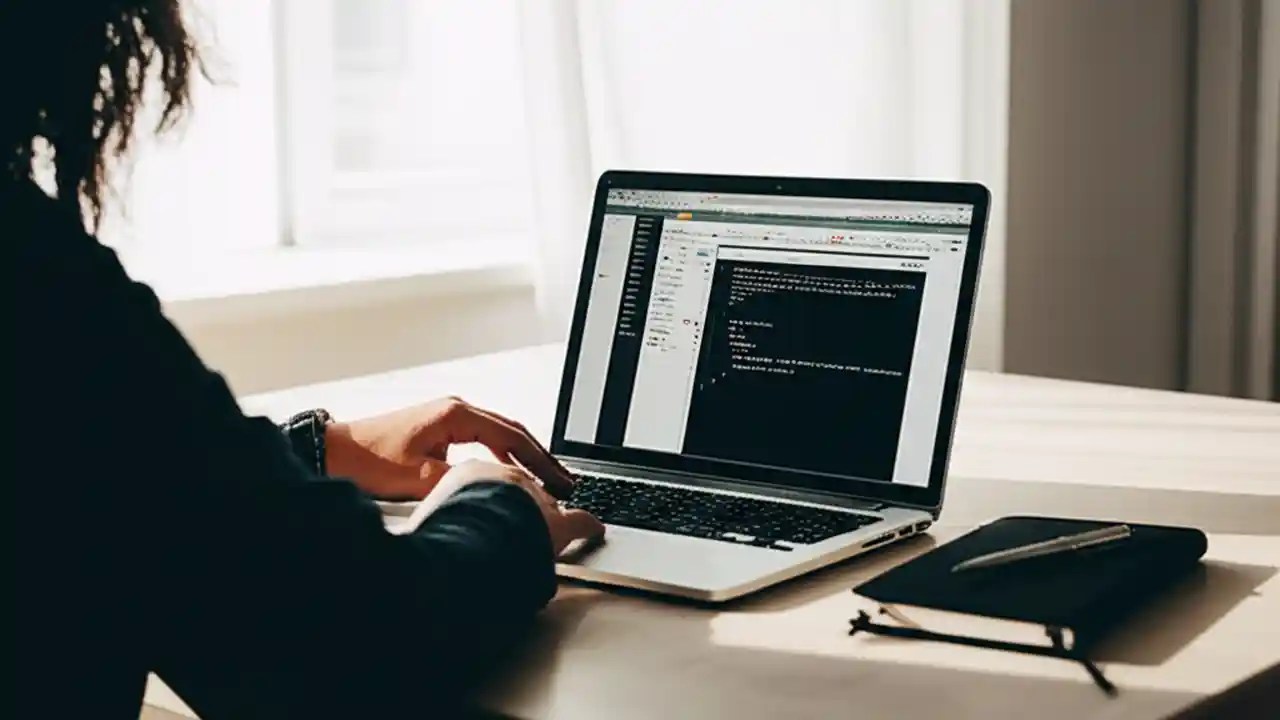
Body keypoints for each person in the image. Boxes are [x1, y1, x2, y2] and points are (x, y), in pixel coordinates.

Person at [6, 2, 604, 717]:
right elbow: (358, 650)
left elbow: (112, 480)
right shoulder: (43, 290)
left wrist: (316, 451)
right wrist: (501, 506)